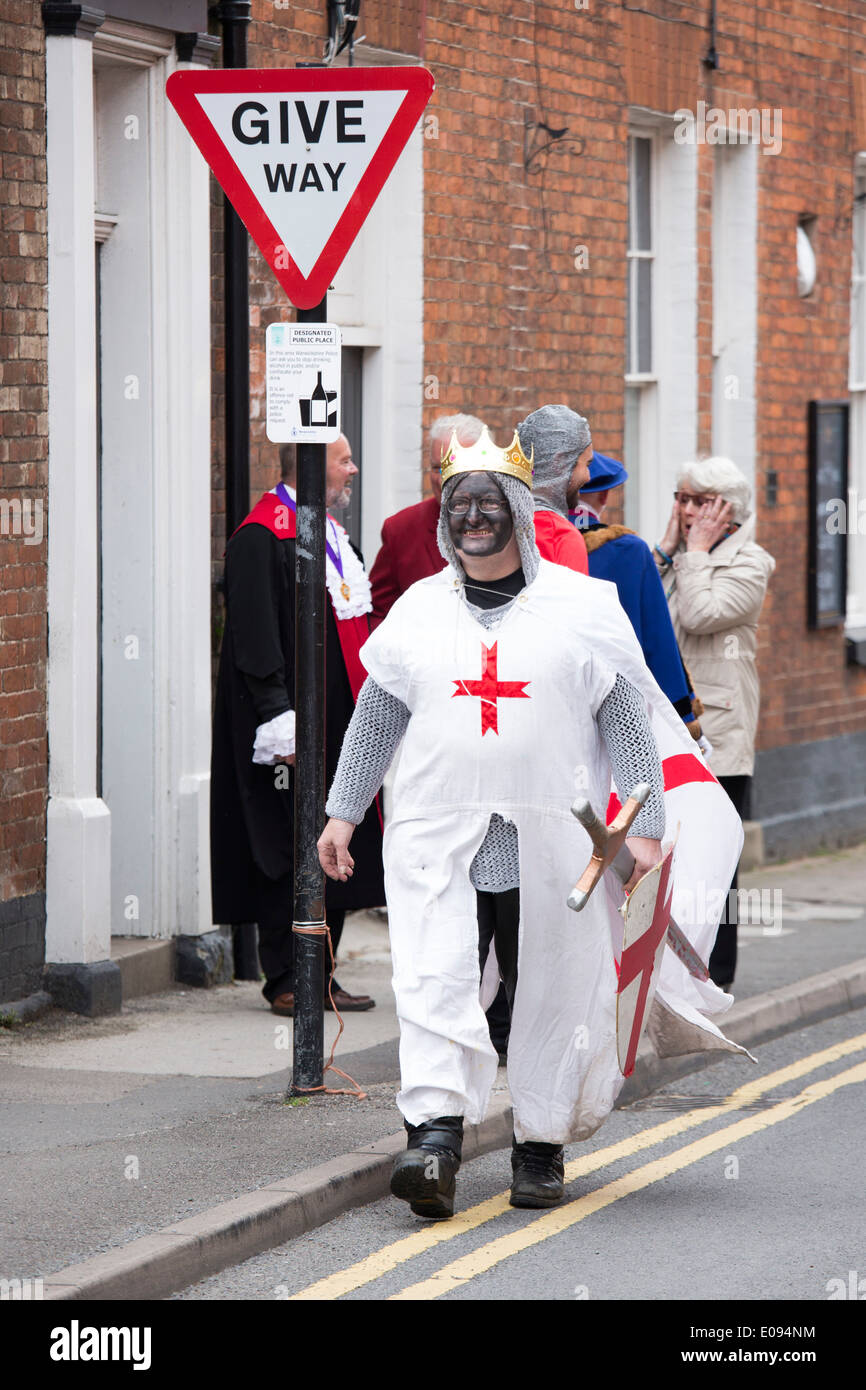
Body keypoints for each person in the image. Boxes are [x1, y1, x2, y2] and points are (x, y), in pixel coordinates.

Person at [317, 427, 745, 1220]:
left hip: (556, 844)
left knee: (553, 988)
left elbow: (627, 718)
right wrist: (343, 814)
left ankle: (540, 1146)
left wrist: (644, 820)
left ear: (516, 508)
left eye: (487, 502)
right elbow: (376, 714)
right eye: (460, 505)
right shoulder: (418, 610)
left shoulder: (582, 608)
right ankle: (435, 1141)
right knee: (433, 978)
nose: (473, 518)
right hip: (436, 837)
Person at [210, 435, 384, 1017]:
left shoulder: (334, 536)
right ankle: (287, 975)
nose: (352, 468)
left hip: (339, 724)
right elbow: (255, 638)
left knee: (332, 839)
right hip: (287, 730)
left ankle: (323, 972)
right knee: (286, 846)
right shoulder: (261, 538)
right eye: (343, 460)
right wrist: (278, 720)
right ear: (310, 468)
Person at [654, 455, 776, 989]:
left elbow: (703, 615)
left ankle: (716, 973)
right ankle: (672, 966)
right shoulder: (680, 558)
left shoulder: (751, 563)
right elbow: (641, 615)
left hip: (720, 733)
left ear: (723, 510)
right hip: (670, 725)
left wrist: (695, 554)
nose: (682, 510)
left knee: (716, 857)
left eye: (693, 501)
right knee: (666, 848)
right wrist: (664, 553)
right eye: (680, 498)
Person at [571, 451, 702, 732]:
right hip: (616, 709)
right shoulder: (626, 550)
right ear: (605, 495)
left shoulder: (520, 543)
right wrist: (684, 715)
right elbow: (658, 640)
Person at [368, 413, 485, 627]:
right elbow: (379, 613)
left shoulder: (510, 526)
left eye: (452, 467)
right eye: (436, 468)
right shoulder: (401, 529)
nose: (442, 479)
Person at [514, 403, 589, 575]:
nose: (588, 477)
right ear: (559, 463)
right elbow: (576, 602)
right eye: (586, 464)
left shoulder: (494, 522)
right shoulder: (558, 535)